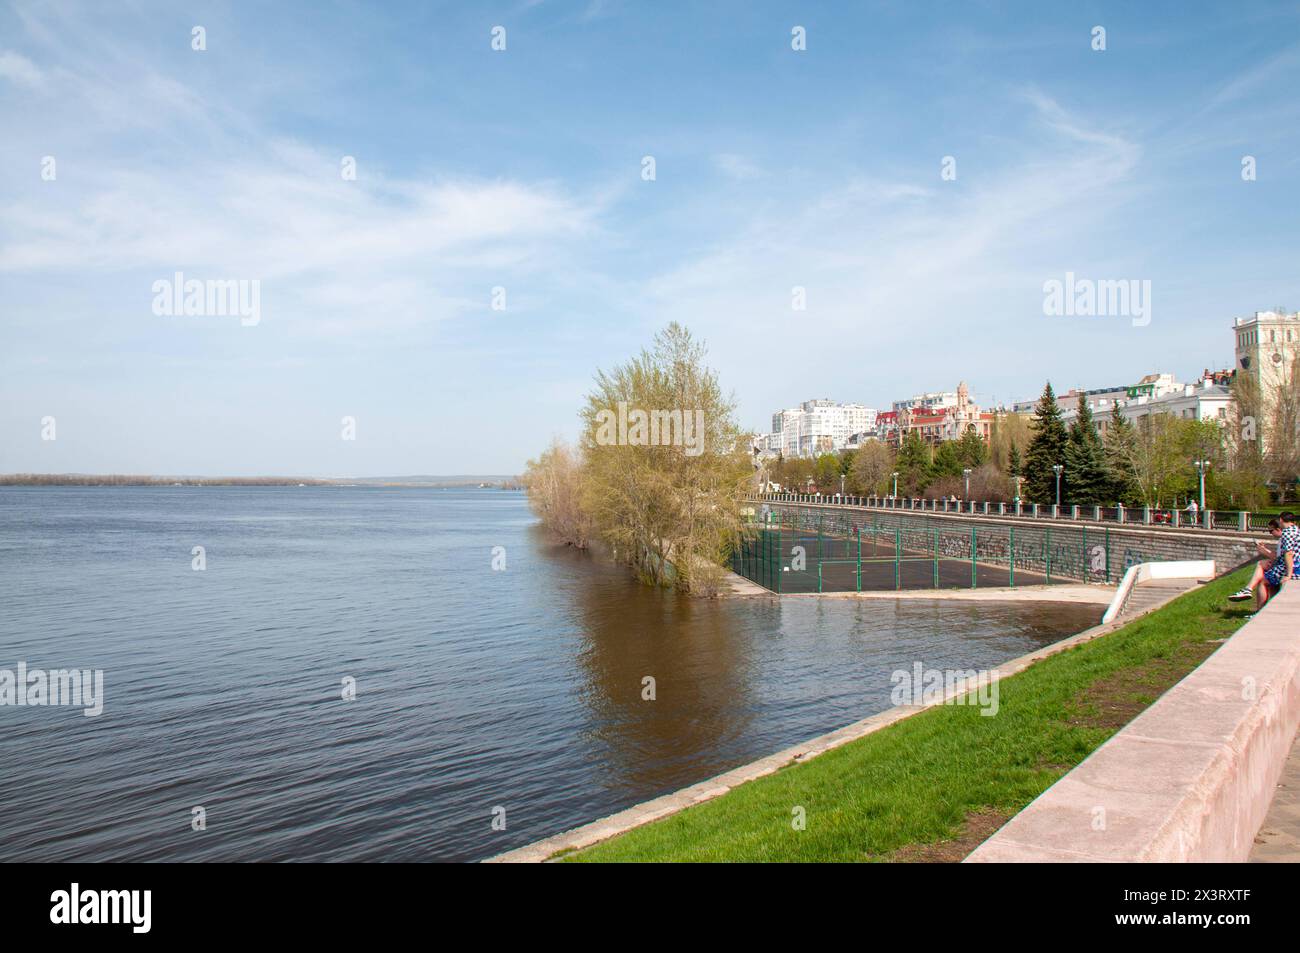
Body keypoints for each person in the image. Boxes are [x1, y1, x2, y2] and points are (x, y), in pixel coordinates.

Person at [1229, 519, 1284, 608]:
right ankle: (1248, 589)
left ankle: (1249, 592)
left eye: (1271, 531)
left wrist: (1264, 551)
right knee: (1262, 564)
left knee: (1263, 581)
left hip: (1285, 569)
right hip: (1284, 566)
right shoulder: (1285, 538)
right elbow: (1279, 556)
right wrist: (1264, 550)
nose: (1270, 533)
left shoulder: (1284, 539)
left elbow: (1278, 557)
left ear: (1278, 529)